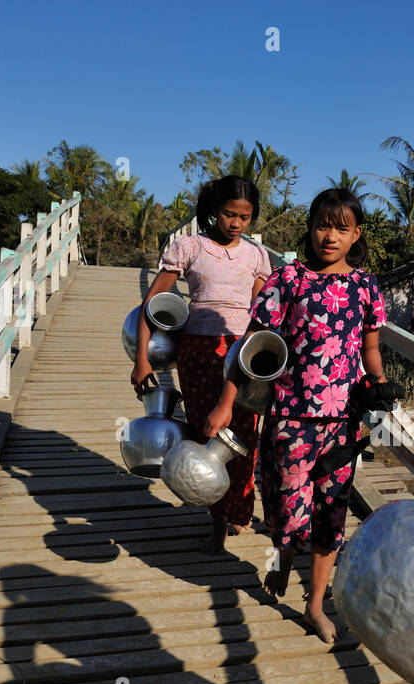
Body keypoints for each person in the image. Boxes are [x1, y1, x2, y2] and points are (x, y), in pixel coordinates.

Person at [218, 188, 387, 643]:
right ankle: (285, 554)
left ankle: (314, 605)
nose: (329, 236)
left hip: (344, 422)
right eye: (322, 225)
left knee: (332, 514)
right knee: (289, 511)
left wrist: (379, 384)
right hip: (292, 415)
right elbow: (252, 346)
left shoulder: (367, 287)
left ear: (356, 234)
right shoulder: (287, 279)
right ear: (310, 228)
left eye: (341, 227)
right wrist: (226, 401)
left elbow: (370, 347)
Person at [130, 176, 273, 553]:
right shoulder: (190, 247)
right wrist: (142, 359)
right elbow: (152, 302)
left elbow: (266, 312)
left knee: (242, 437)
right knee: (204, 433)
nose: (236, 223)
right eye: (229, 214)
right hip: (196, 353)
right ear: (215, 210)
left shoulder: (257, 256)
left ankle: (236, 510)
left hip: (243, 354)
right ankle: (217, 522)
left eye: (245, 216)